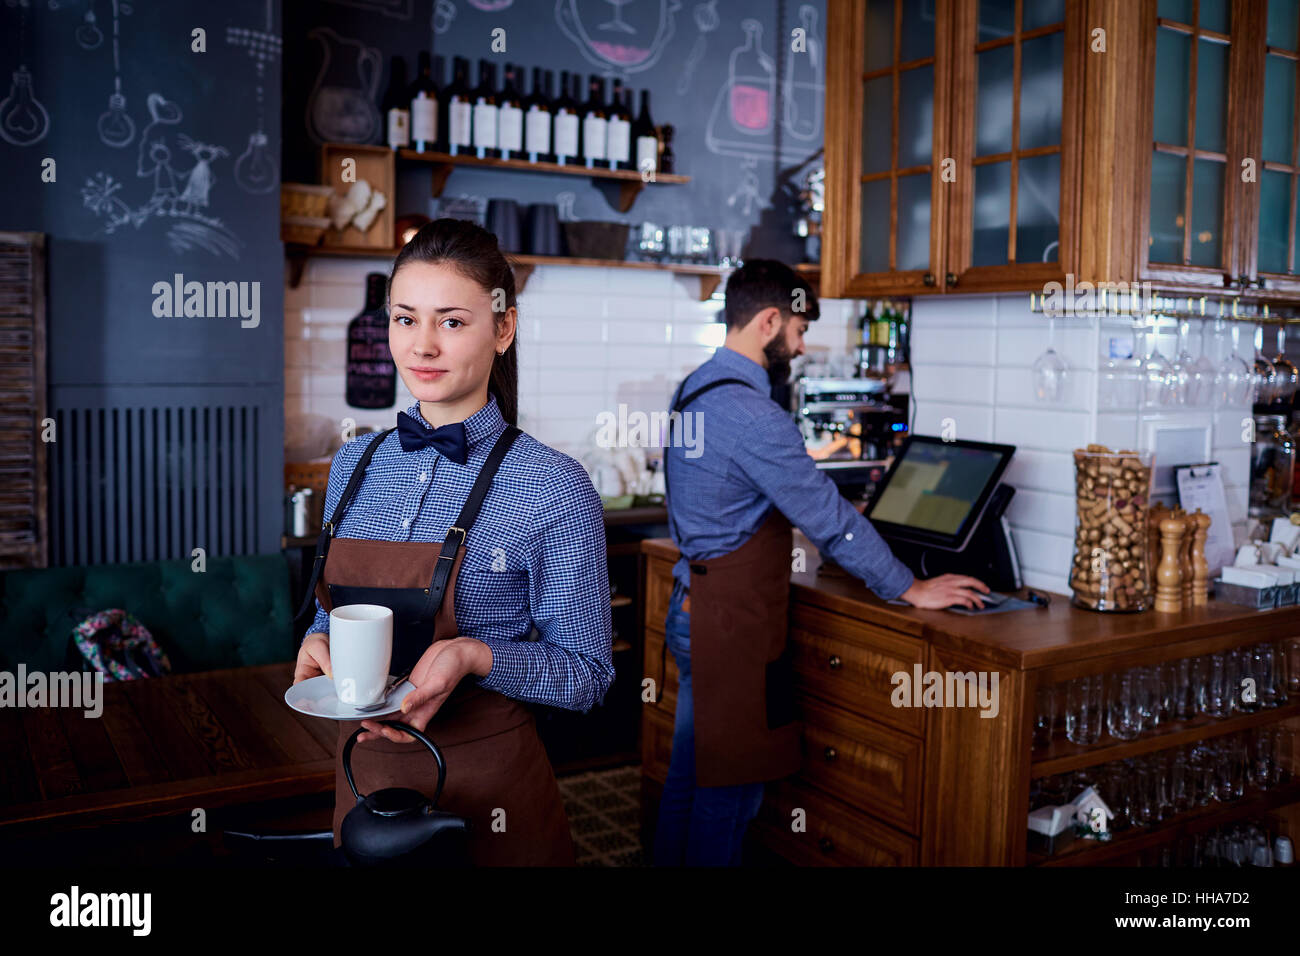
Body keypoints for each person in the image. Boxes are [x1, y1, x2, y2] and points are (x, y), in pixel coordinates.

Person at [291, 218, 614, 865]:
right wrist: (319, 640)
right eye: (406, 319)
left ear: (503, 328)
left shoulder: (553, 485)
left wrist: (473, 655)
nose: (423, 346)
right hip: (362, 780)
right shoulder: (353, 464)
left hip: (489, 783)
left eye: (452, 321)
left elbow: (588, 675)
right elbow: (334, 609)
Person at [654, 259, 988, 867]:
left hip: (692, 609)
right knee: (730, 798)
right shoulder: (758, 416)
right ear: (769, 321)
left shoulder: (693, 387)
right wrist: (909, 587)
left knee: (691, 777)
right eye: (800, 332)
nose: (802, 347)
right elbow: (829, 520)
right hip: (733, 629)